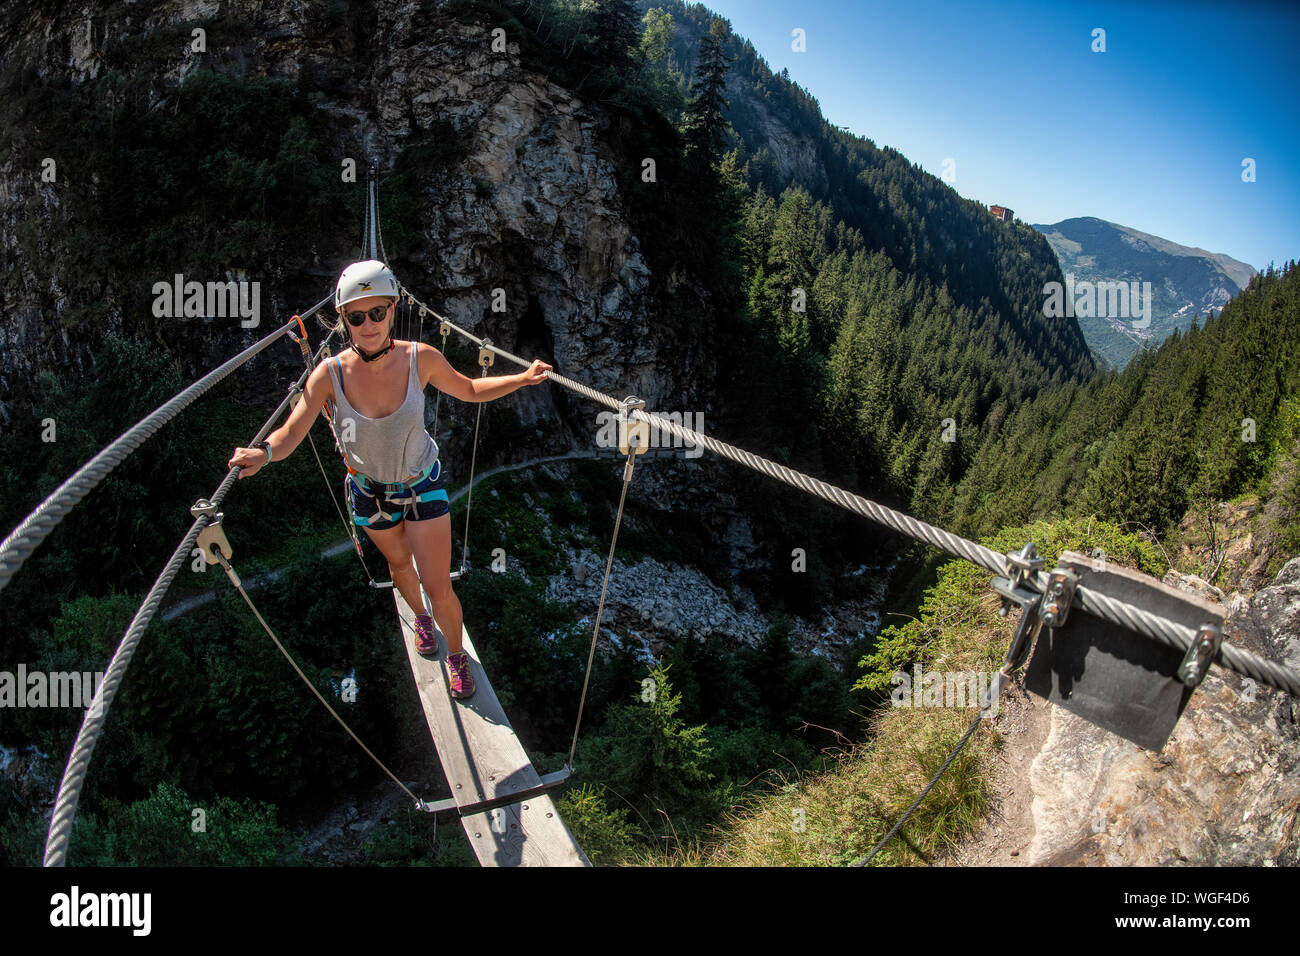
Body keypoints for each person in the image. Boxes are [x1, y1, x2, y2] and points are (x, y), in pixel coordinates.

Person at [227, 260, 552, 700]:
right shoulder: (330, 374)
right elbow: (291, 431)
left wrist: (524, 378)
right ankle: (419, 618)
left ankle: (456, 656)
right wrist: (264, 453)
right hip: (368, 491)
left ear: (393, 310)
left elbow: (471, 390)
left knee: (439, 584)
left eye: (377, 312)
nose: (368, 325)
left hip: (421, 483)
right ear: (343, 320)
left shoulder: (422, 358)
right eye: (356, 316)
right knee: (399, 566)